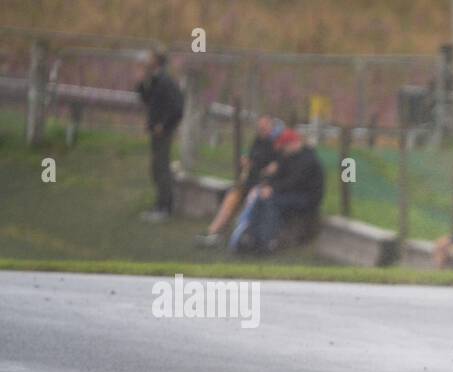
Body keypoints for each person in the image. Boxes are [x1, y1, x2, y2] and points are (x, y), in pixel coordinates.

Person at [194, 116, 282, 248]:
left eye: (265, 127)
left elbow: (272, 169)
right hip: (251, 181)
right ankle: (213, 231)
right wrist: (246, 164)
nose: (262, 129)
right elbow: (253, 162)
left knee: (251, 199)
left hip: (264, 185)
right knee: (232, 195)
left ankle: (241, 234)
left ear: (271, 127)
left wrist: (256, 168)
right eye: (260, 127)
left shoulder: (276, 146)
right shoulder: (257, 141)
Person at [233, 129, 324, 254]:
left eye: (285, 146)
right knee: (261, 199)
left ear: (293, 143)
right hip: (289, 193)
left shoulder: (308, 159)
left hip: (306, 198)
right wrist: (264, 186)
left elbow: (294, 182)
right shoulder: (287, 156)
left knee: (272, 202)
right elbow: (277, 176)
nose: (283, 150)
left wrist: (272, 189)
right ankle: (252, 237)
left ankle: (266, 242)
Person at [133, 48, 184, 222]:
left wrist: (164, 125)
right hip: (156, 131)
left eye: (150, 58)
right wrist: (140, 82)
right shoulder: (155, 80)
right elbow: (147, 100)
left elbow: (178, 107)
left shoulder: (165, 81)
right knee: (156, 168)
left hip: (163, 133)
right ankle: (160, 204)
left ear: (156, 61)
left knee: (161, 168)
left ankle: (165, 207)